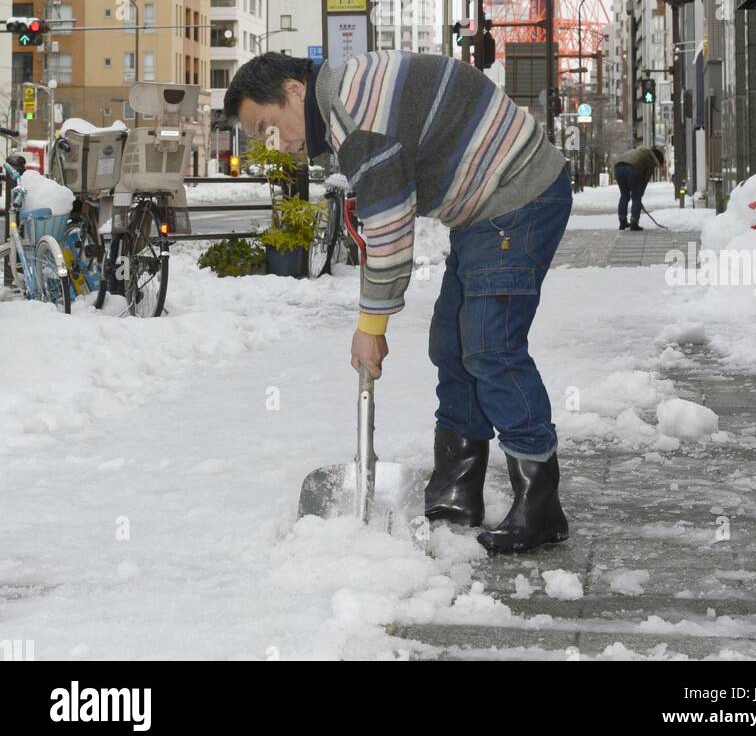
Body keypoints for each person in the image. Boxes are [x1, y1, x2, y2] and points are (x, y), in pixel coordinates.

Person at [224, 49, 573, 556]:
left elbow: (390, 229)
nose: (271, 143)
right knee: (453, 342)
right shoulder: (344, 99)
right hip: (485, 207)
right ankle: (458, 485)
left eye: (266, 126)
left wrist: (371, 326)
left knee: (490, 344)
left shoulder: (356, 118)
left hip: (518, 195)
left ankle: (540, 503)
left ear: (295, 91)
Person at [613, 145, 664, 231]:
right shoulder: (650, 160)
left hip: (618, 168)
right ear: (657, 158)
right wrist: (639, 197)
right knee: (636, 197)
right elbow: (645, 181)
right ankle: (634, 222)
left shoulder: (639, 152)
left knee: (624, 195)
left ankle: (622, 221)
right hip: (632, 169)